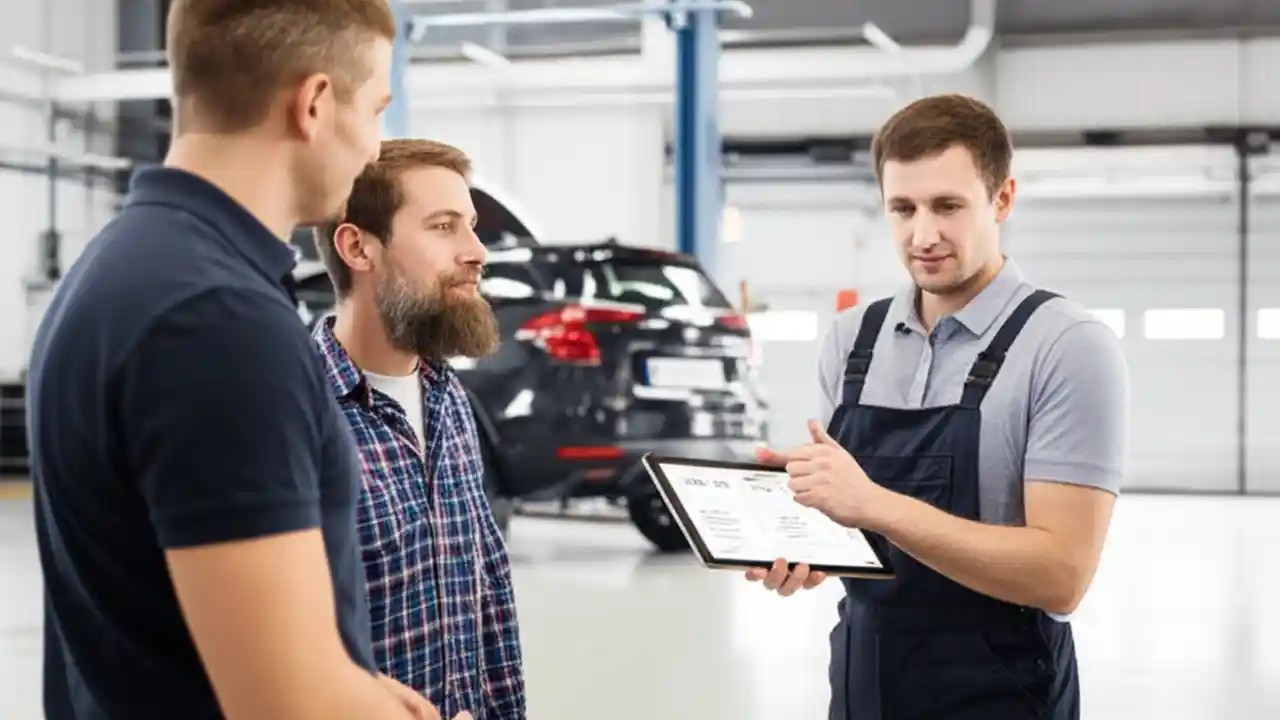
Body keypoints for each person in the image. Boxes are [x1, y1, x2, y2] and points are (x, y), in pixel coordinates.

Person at [25, 2, 442, 718]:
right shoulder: (215, 321)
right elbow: (287, 706)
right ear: (313, 103)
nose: (376, 149)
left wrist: (360, 691)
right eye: (376, 109)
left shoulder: (121, 269)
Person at [749, 93, 1129, 720]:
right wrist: (802, 545)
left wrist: (877, 504)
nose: (922, 235)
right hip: (863, 684)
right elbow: (858, 530)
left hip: (1000, 694)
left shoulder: (1067, 346)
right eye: (902, 208)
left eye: (947, 206)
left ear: (1001, 199)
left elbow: (1061, 575)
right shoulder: (851, 340)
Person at [311, 138, 526, 720]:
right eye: (443, 226)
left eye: (472, 226)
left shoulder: (447, 397)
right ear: (358, 247)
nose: (477, 251)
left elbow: (487, 608)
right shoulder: (296, 418)